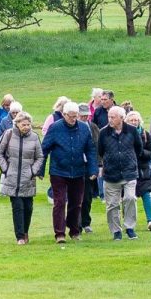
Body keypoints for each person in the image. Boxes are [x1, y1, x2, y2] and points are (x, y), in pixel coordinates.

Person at [41, 102, 98, 243]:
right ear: (64, 114)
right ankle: (59, 234)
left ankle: (74, 230)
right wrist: (40, 169)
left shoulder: (84, 128)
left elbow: (90, 150)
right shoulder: (55, 128)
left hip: (78, 171)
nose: (74, 119)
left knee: (76, 203)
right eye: (71, 116)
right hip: (58, 171)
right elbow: (44, 149)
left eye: (76, 116)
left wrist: (93, 169)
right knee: (59, 202)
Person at [0, 112, 44, 244]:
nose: (27, 127)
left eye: (29, 124)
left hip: (28, 179)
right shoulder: (8, 134)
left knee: (28, 207)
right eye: (24, 124)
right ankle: (20, 237)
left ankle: (25, 231)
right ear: (17, 124)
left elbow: (40, 157)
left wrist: (32, 171)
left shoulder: (34, 137)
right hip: (12, 179)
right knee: (17, 207)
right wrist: (6, 169)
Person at [99, 106, 144, 241]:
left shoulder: (131, 131)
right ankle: (116, 231)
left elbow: (139, 148)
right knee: (112, 204)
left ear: (121, 118)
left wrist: (129, 159)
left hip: (129, 171)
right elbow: (100, 151)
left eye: (113, 117)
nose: (110, 119)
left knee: (130, 198)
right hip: (111, 173)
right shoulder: (103, 133)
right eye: (109, 117)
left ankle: (129, 227)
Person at [127, 110, 151, 233]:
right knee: (128, 197)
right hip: (128, 169)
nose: (134, 122)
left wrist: (141, 153)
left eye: (136, 120)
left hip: (143, 169)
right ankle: (129, 222)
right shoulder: (124, 134)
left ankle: (150, 220)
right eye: (131, 120)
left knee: (146, 193)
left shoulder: (145, 134)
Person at [77, 104, 101, 233]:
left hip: (89, 165)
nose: (85, 117)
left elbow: (98, 147)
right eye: (82, 115)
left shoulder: (93, 127)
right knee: (76, 195)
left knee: (87, 196)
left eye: (87, 114)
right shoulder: (73, 127)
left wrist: (98, 165)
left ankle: (85, 222)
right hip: (75, 165)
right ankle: (77, 223)